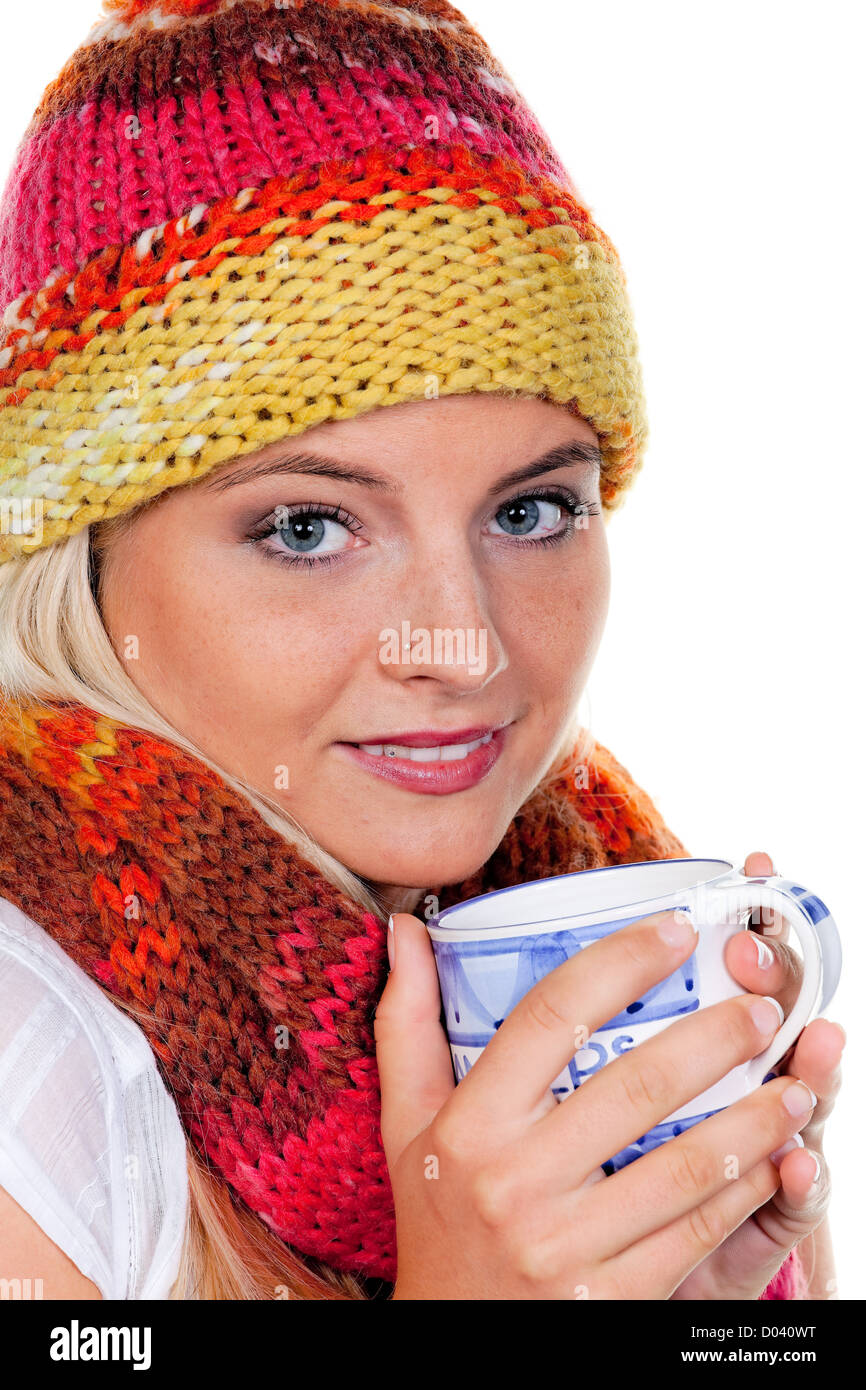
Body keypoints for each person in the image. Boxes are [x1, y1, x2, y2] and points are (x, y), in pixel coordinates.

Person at [0, 0, 843, 1300]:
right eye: (306, 523)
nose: (459, 646)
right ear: (87, 552)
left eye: (530, 509)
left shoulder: (600, 934)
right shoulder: (34, 1068)